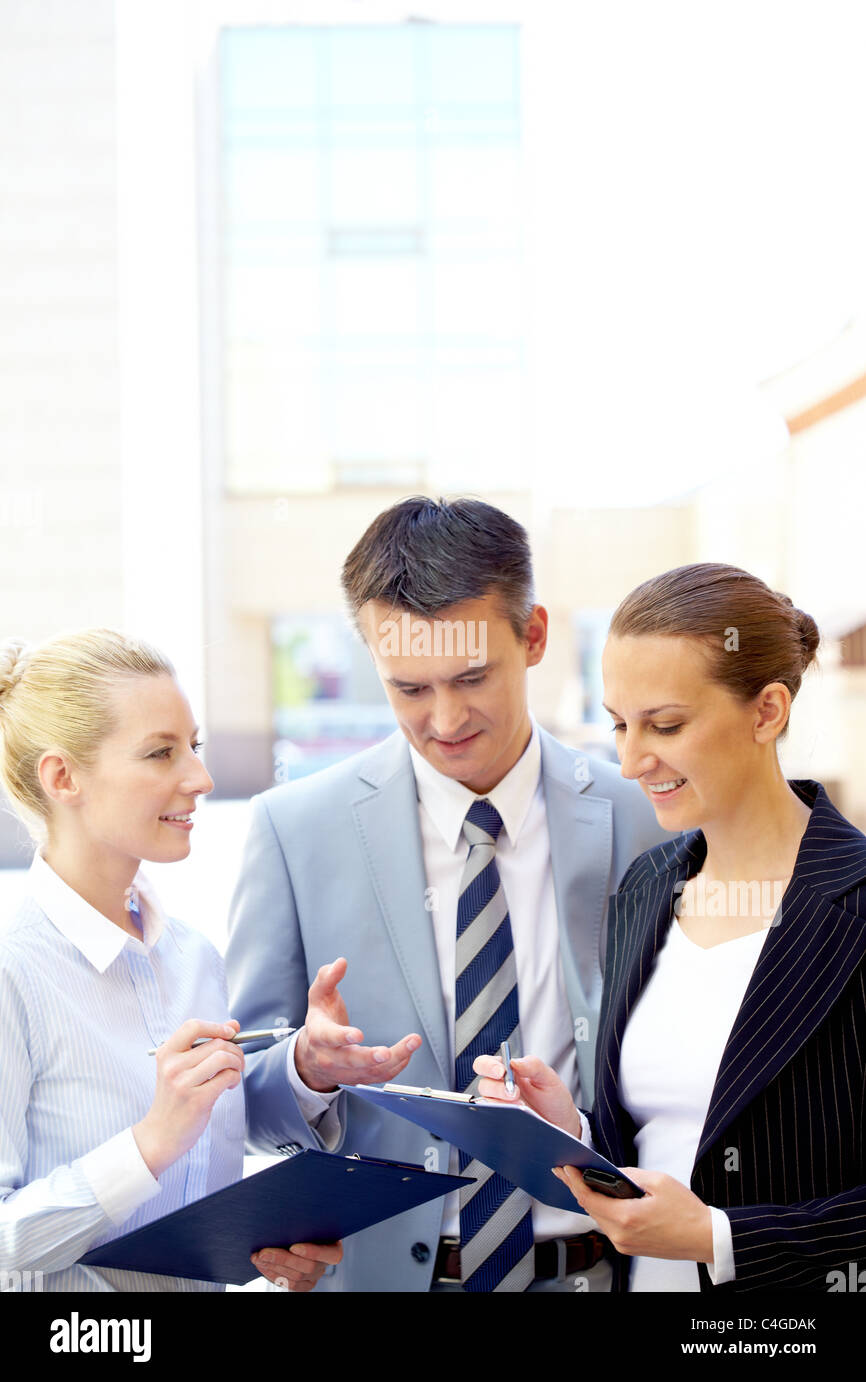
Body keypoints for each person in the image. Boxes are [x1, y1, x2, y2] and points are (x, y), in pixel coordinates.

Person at [226, 496, 667, 1292]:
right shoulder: (294, 831)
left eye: (471, 677)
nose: (446, 718)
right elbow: (245, 1102)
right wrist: (304, 1068)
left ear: (533, 637)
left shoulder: (646, 818)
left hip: (598, 1274)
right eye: (409, 689)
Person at [475, 561, 866, 1292]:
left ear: (767, 711)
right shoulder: (646, 892)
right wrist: (577, 1132)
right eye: (620, 725)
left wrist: (721, 1238)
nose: (629, 761)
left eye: (666, 725)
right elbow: (656, 1148)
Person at [0, 629, 341, 1292]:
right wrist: (150, 1141)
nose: (201, 779)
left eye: (195, 746)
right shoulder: (12, 969)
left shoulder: (192, 956)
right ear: (62, 776)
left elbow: (197, 1174)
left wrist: (262, 1251)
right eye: (161, 753)